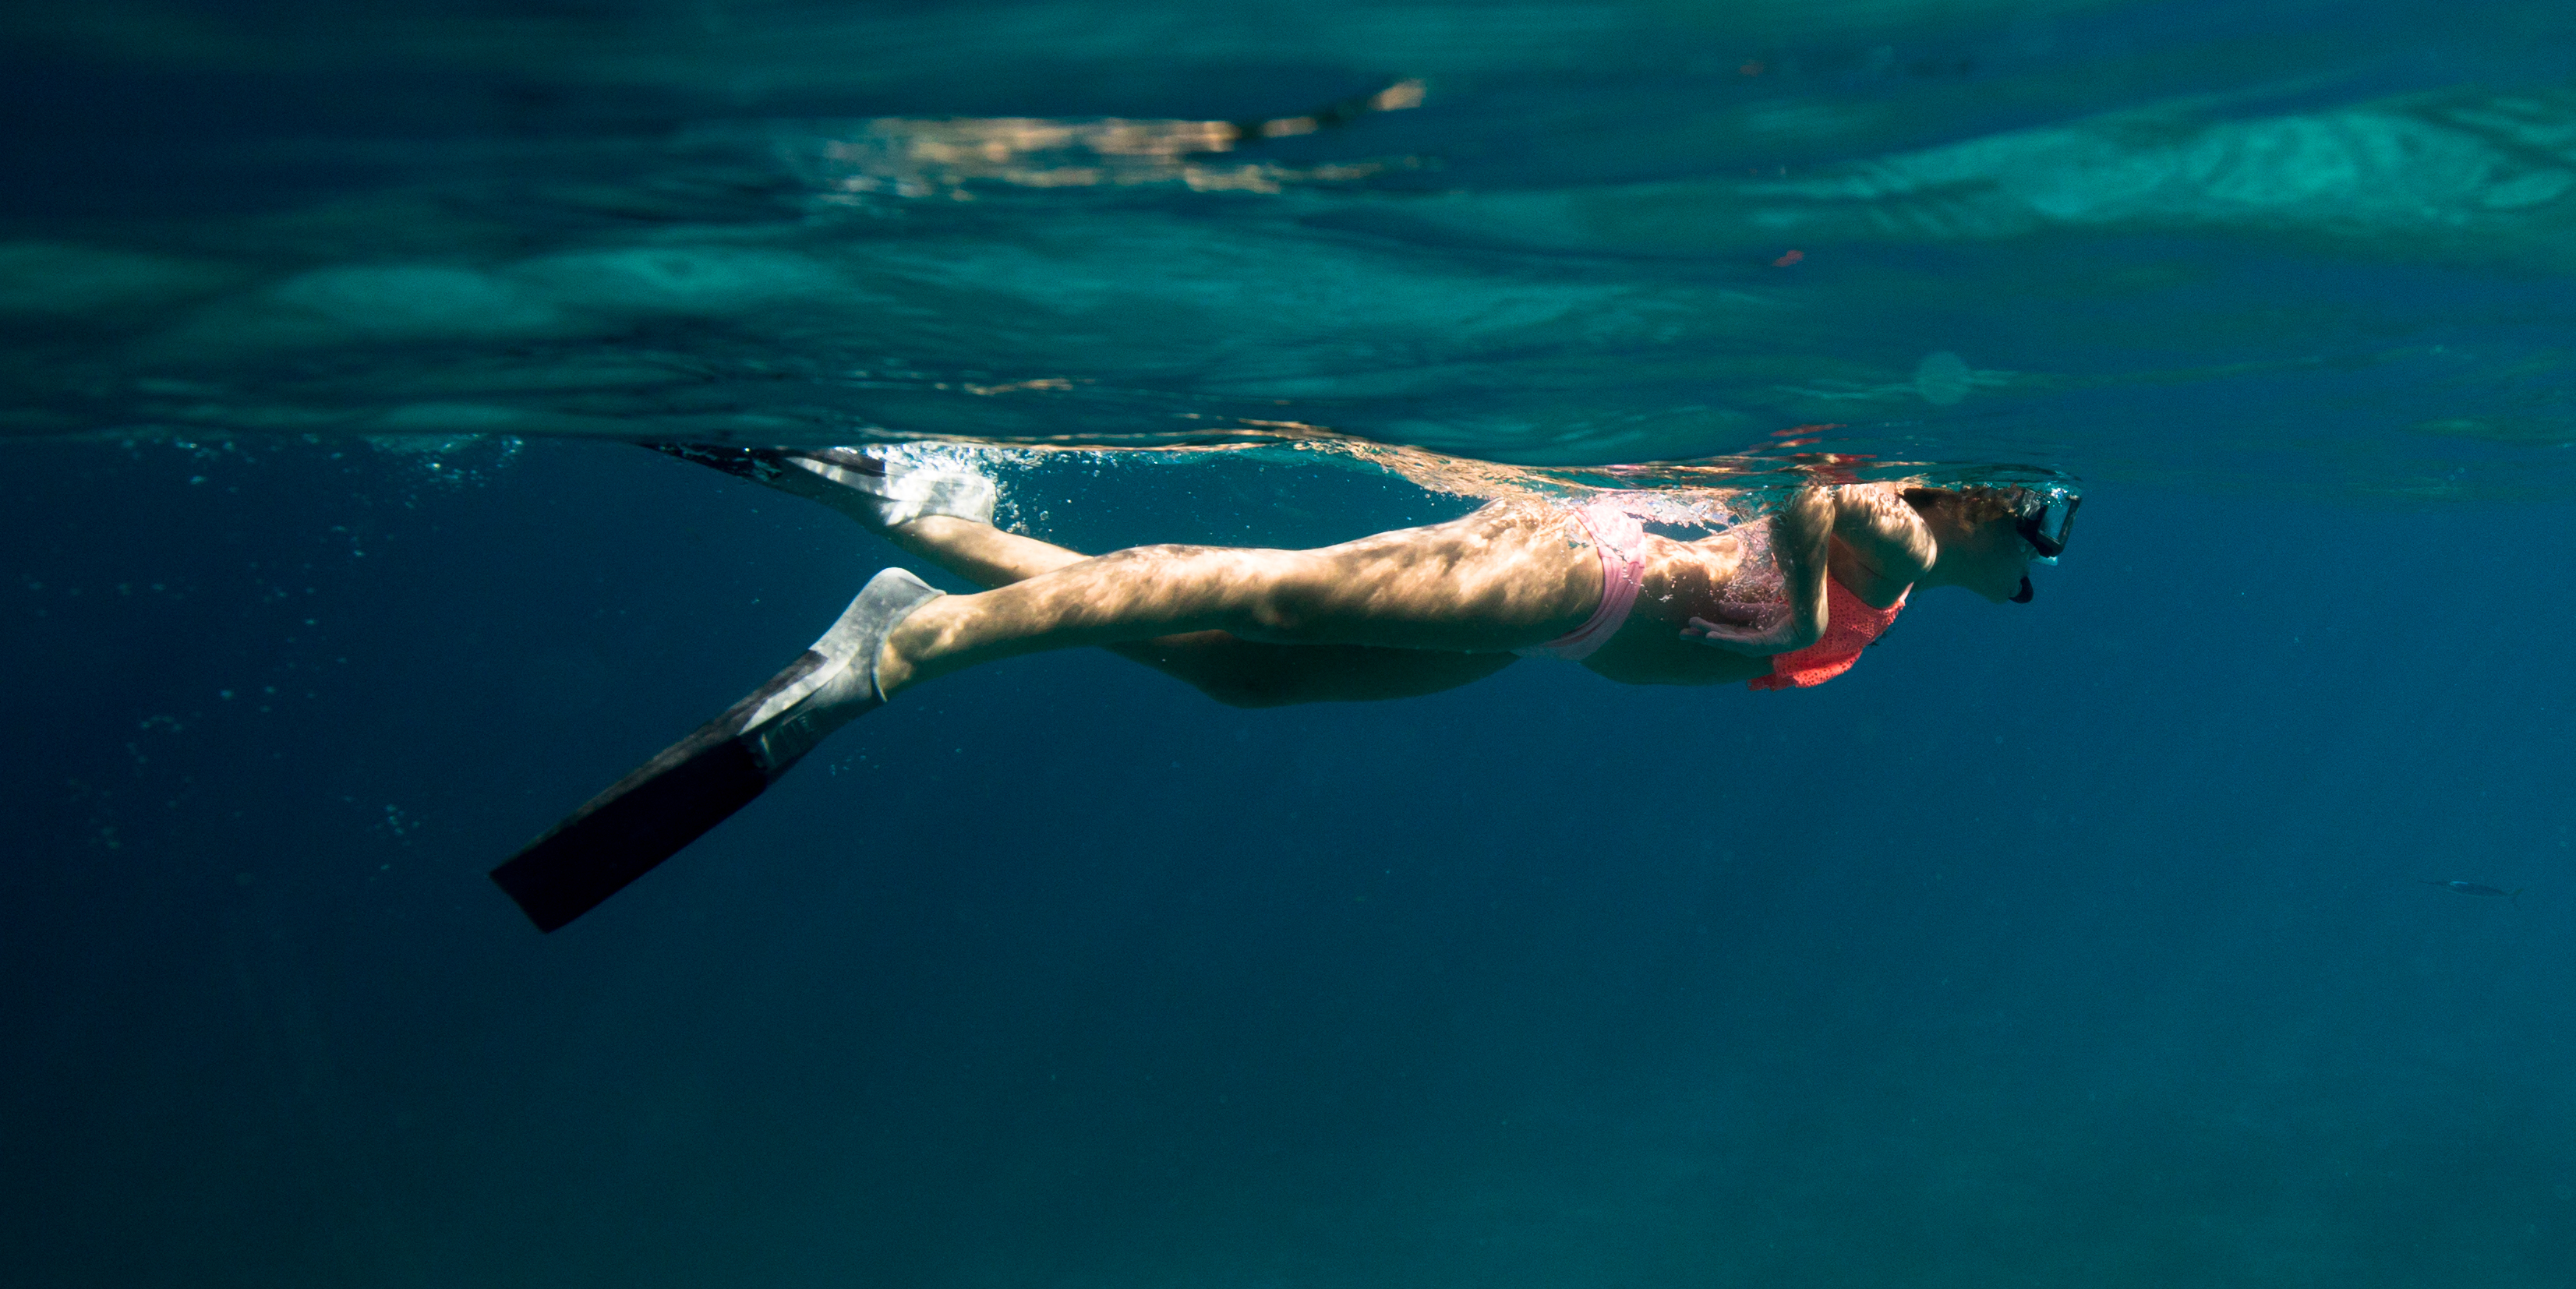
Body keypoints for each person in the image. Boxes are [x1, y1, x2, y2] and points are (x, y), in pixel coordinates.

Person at [489, 444, 2073, 931]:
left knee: (1249, 678)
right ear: (1994, 503)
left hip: (1551, 625)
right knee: (1251, 591)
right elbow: (1819, 494)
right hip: (1574, 575)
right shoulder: (1911, 541)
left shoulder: (1924, 584)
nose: (2047, 564)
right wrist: (1794, 596)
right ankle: (896, 655)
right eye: (2047, 531)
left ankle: (917, 526)